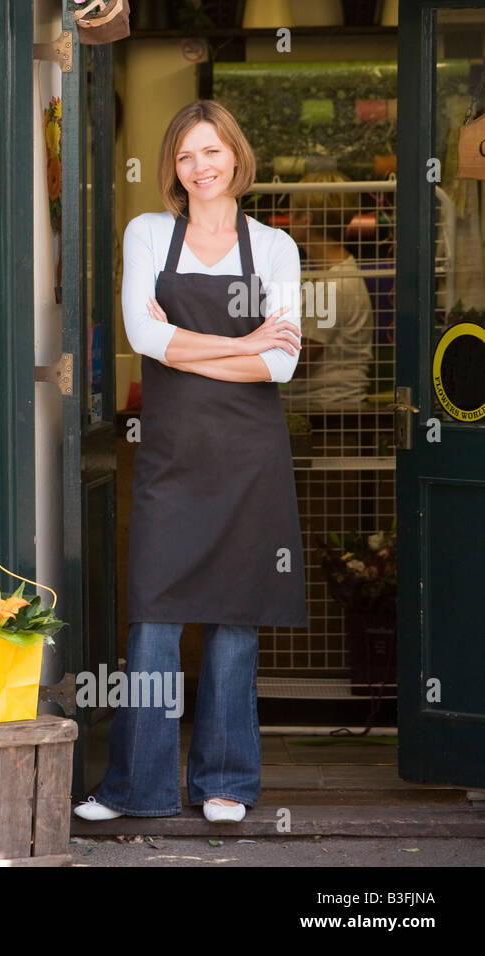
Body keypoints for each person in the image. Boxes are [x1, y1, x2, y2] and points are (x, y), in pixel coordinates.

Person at [75, 100, 309, 825]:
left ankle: (226, 783)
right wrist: (242, 344)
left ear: (235, 156)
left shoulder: (273, 247)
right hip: (171, 458)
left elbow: (282, 367)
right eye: (184, 156)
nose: (199, 167)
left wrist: (204, 346)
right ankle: (135, 787)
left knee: (235, 617)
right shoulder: (149, 233)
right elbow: (144, 335)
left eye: (210, 152)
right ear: (173, 169)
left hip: (248, 458)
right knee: (153, 616)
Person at [279, 171, 375, 411]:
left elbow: (298, 360)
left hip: (327, 413)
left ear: (307, 219)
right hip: (320, 407)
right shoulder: (330, 276)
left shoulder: (333, 285)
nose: (287, 219)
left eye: (292, 212)